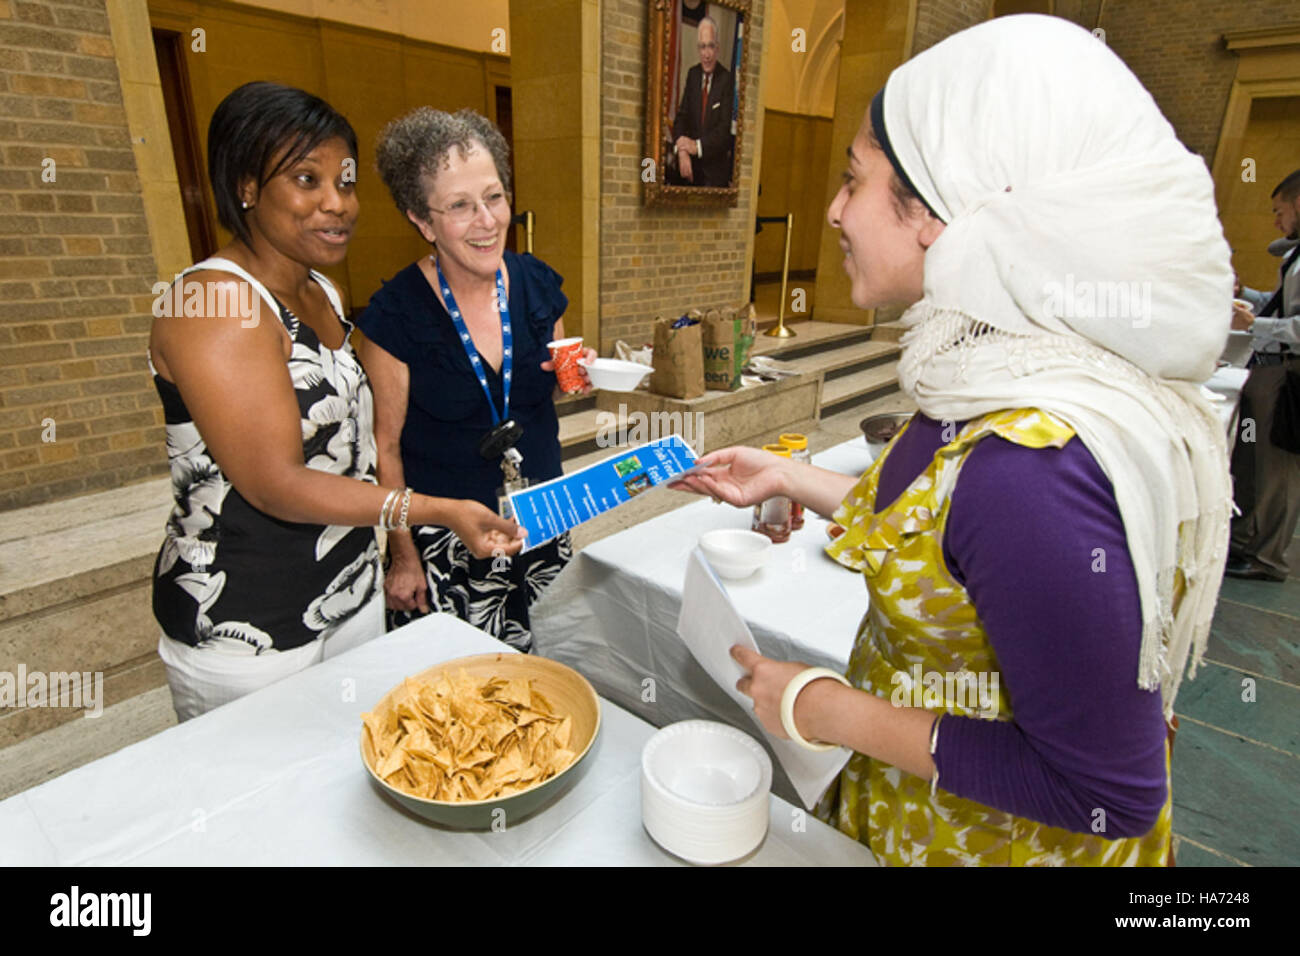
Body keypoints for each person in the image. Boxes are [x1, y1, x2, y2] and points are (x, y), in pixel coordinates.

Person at [674, 15, 1233, 865]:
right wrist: (791, 480)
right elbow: (941, 524)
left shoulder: (1034, 469)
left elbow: (1106, 790)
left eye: (852, 181)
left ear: (938, 213)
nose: (831, 210)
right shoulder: (990, 372)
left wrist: (825, 709)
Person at [149, 83, 522, 721]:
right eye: (306, 180)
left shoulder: (317, 287)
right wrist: (434, 510)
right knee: (261, 809)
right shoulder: (213, 303)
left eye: (344, 183)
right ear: (245, 187)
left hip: (346, 593)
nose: (337, 204)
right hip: (249, 623)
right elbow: (275, 485)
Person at [357, 108, 592, 652]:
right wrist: (402, 553)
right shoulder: (394, 318)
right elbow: (384, 449)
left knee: (552, 677)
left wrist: (576, 373)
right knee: (465, 698)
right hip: (447, 542)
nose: (487, 220)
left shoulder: (538, 284)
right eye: (460, 206)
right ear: (422, 220)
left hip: (541, 521)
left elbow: (555, 388)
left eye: (494, 197)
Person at [1226, 169, 1300, 582]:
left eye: (1279, 211)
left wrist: (1255, 325)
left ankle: (1267, 558)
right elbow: (1281, 306)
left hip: (1289, 379)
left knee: (1277, 473)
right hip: (1270, 375)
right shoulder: (1294, 255)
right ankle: (1246, 541)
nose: (1276, 222)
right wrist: (1247, 297)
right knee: (1253, 459)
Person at [671, 15, 735, 187]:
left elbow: (723, 133)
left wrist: (696, 146)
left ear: (718, 49)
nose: (706, 54)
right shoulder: (693, 75)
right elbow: (681, 119)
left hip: (714, 176)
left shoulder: (726, 79)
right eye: (702, 47)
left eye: (711, 46)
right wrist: (682, 151)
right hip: (689, 170)